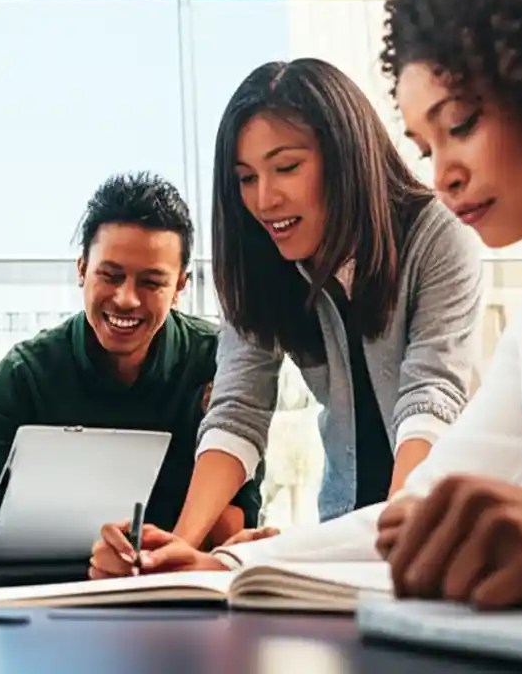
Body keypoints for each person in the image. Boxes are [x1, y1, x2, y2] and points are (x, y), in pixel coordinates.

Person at [90, 0, 522, 610]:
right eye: (427, 147)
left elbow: (430, 399)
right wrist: (214, 557)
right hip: (361, 535)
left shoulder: (432, 237)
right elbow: (412, 513)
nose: (445, 173)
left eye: (461, 126)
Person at [158, 58, 483, 551]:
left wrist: (393, 537)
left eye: (286, 167)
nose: (264, 199)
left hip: (441, 527)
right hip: (345, 524)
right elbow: (238, 408)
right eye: (245, 178)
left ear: (344, 155)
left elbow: (431, 394)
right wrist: (182, 544)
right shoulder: (259, 263)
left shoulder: (437, 236)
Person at [0, 172, 261, 544]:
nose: (126, 299)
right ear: (82, 271)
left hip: (180, 580)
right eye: (110, 275)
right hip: (53, 585)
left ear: (179, 287)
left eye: (151, 282)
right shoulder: (24, 376)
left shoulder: (218, 363)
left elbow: (238, 524)